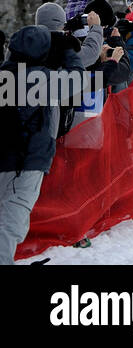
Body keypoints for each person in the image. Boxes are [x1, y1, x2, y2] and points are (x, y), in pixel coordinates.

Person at [1, 23, 84, 263]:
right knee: (11, 219)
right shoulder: (40, 80)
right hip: (25, 162)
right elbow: (78, 80)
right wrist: (68, 50)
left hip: (7, 158)